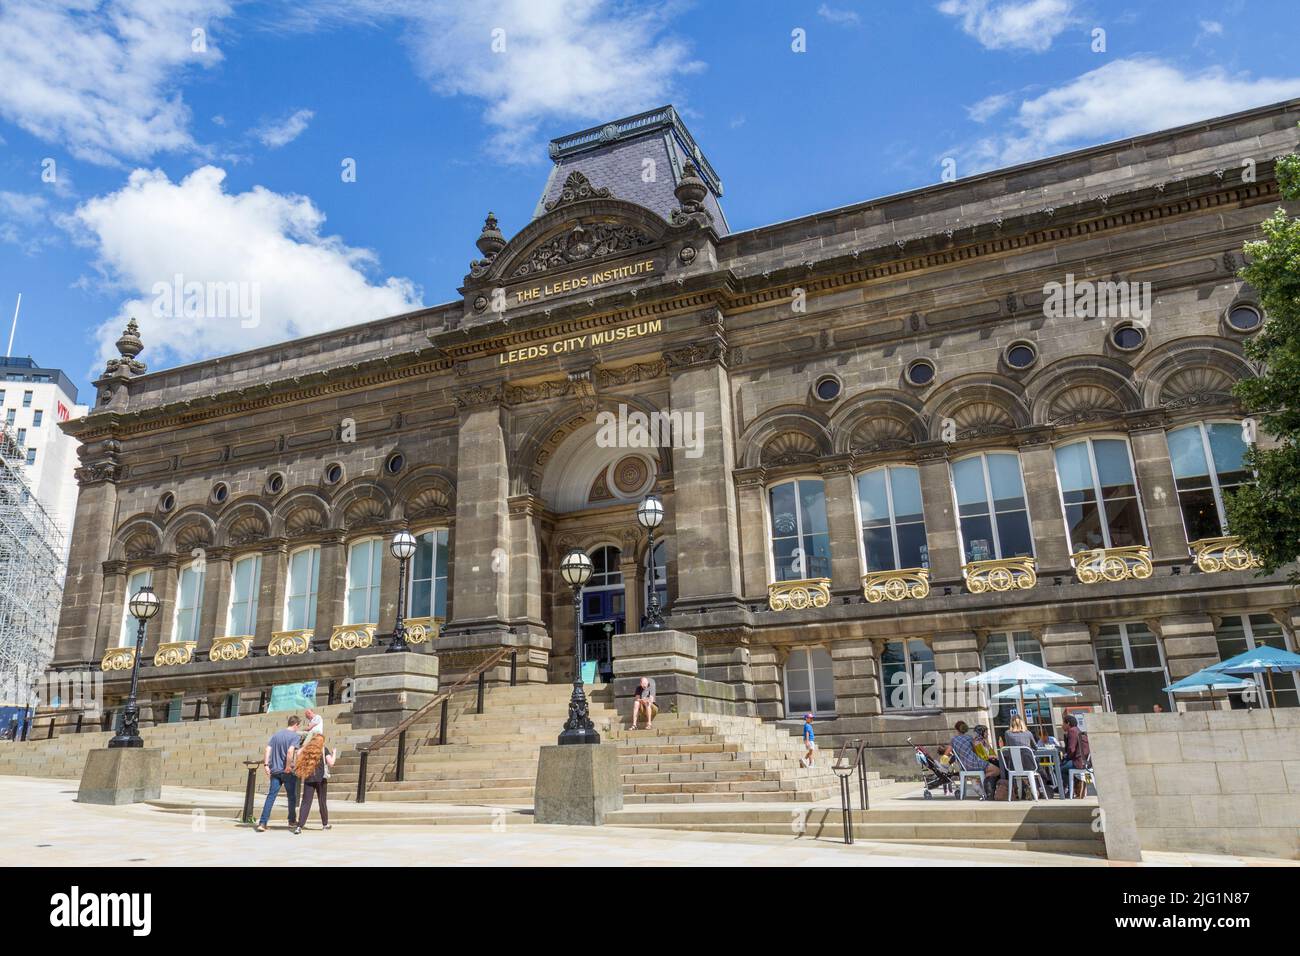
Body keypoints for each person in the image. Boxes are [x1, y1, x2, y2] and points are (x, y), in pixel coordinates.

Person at [256, 715, 301, 832]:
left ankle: (262, 823)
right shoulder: (295, 736)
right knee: (291, 797)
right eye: (298, 726)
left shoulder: (276, 735)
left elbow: (267, 749)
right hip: (287, 771)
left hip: (274, 771)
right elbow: (290, 751)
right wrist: (287, 766)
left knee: (271, 796)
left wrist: (266, 765)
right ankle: (291, 821)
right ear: (296, 725)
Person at [943, 720, 999, 797]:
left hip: (964, 767)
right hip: (974, 763)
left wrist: (943, 764)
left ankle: (979, 780)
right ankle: (980, 780)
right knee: (997, 770)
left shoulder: (953, 740)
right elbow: (977, 752)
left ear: (956, 730)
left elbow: (946, 754)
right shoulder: (969, 738)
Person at [294, 735, 335, 833]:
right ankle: (325, 824)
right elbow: (331, 763)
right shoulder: (324, 749)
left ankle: (299, 826)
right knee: (322, 802)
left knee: (306, 803)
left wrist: (305, 746)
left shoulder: (307, 750)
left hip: (309, 778)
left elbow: (298, 753)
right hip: (321, 779)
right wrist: (334, 753)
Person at [1061, 713, 1090, 796]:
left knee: (1059, 769)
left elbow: (1071, 749)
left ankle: (1072, 789)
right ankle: (1076, 785)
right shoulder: (1077, 730)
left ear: (1068, 724)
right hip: (1085, 762)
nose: (1062, 726)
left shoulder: (1072, 731)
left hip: (1078, 762)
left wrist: (1067, 757)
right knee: (1064, 766)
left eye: (1063, 723)